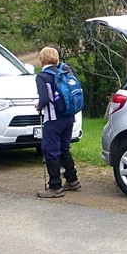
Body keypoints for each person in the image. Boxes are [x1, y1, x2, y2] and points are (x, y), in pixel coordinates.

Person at [35, 46, 80, 198]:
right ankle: (72, 179)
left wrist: (38, 106)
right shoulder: (64, 73)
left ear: (42, 58)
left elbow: (43, 100)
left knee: (50, 150)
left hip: (53, 119)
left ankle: (55, 186)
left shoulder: (42, 76)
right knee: (64, 148)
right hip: (68, 117)